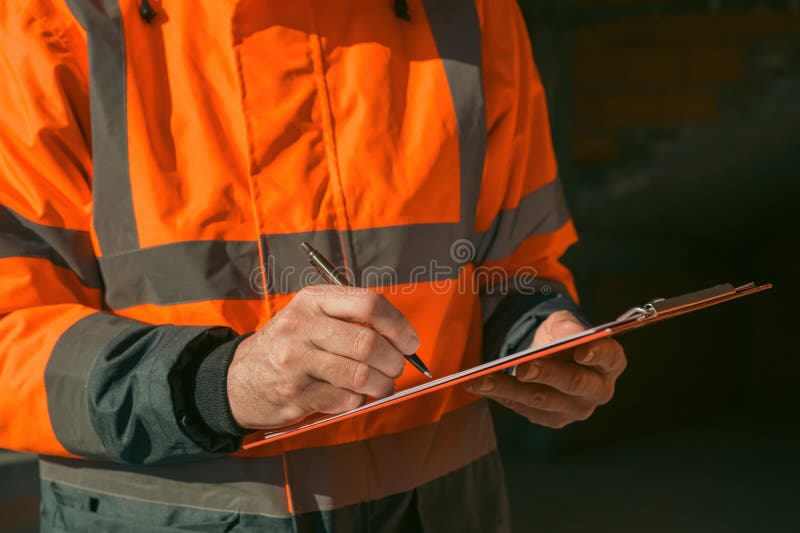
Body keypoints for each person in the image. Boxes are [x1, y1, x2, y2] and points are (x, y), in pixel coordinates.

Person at [0, 1, 626, 531]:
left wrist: (536, 330)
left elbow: (514, 260)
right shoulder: (48, 22)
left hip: (443, 509)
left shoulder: (468, 10)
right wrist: (222, 383)